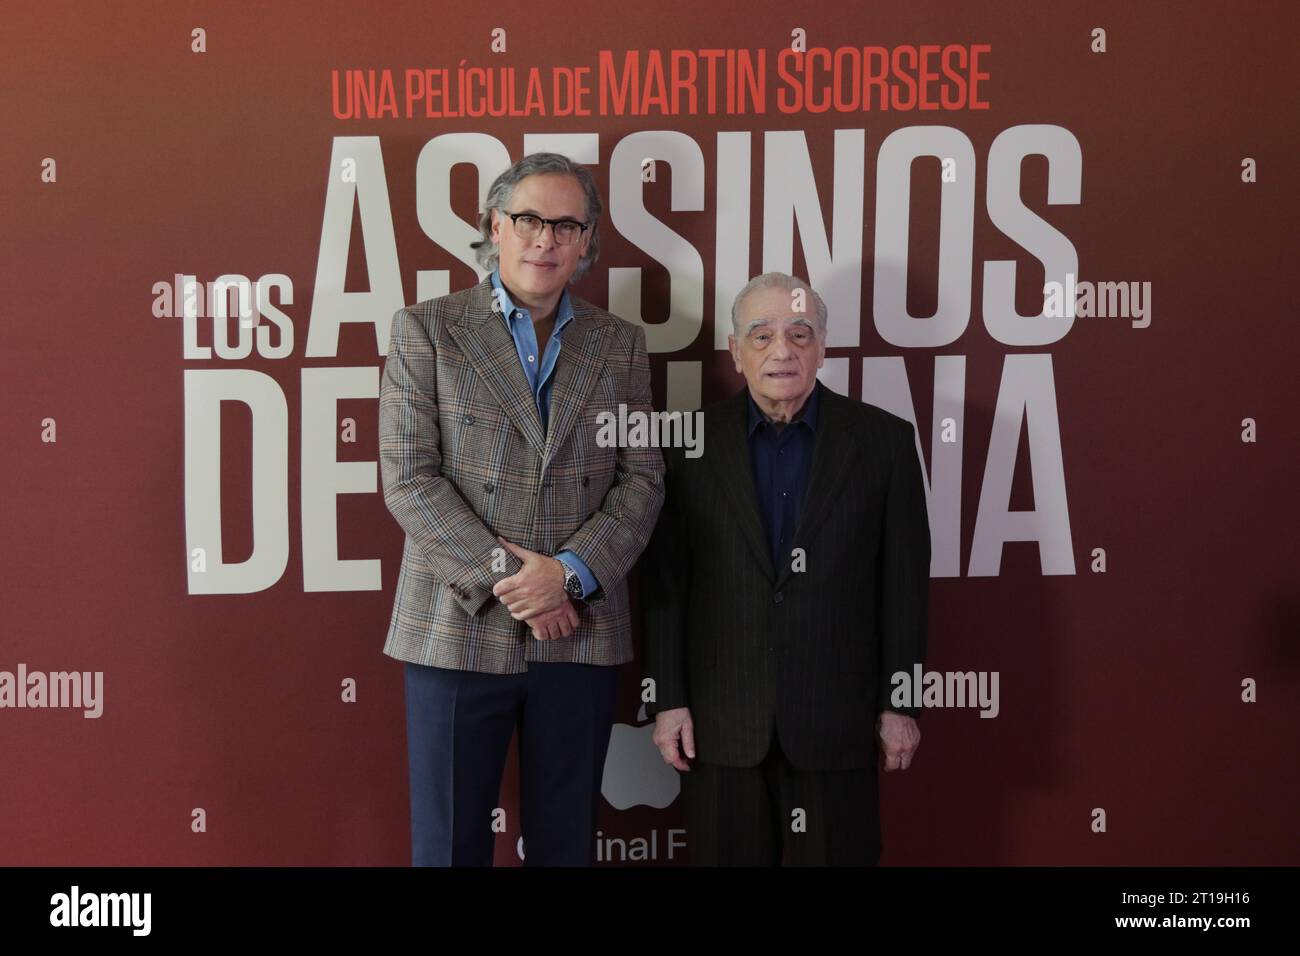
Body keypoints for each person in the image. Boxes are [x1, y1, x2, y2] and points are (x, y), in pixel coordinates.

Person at [379, 152, 664, 866]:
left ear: (586, 241)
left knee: (566, 845)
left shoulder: (620, 344)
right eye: (531, 219)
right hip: (456, 627)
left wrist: (568, 576)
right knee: (449, 846)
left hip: (580, 631)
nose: (546, 239)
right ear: (495, 227)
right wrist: (519, 580)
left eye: (566, 225)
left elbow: (643, 481)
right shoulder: (428, 330)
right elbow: (410, 479)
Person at [643, 272, 930, 866]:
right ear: (735, 350)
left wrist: (900, 703)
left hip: (837, 726)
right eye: (762, 334)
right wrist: (668, 698)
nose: (783, 350)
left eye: (800, 334)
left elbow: (904, 588)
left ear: (823, 348)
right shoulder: (685, 445)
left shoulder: (885, 443)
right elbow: (667, 584)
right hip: (720, 729)